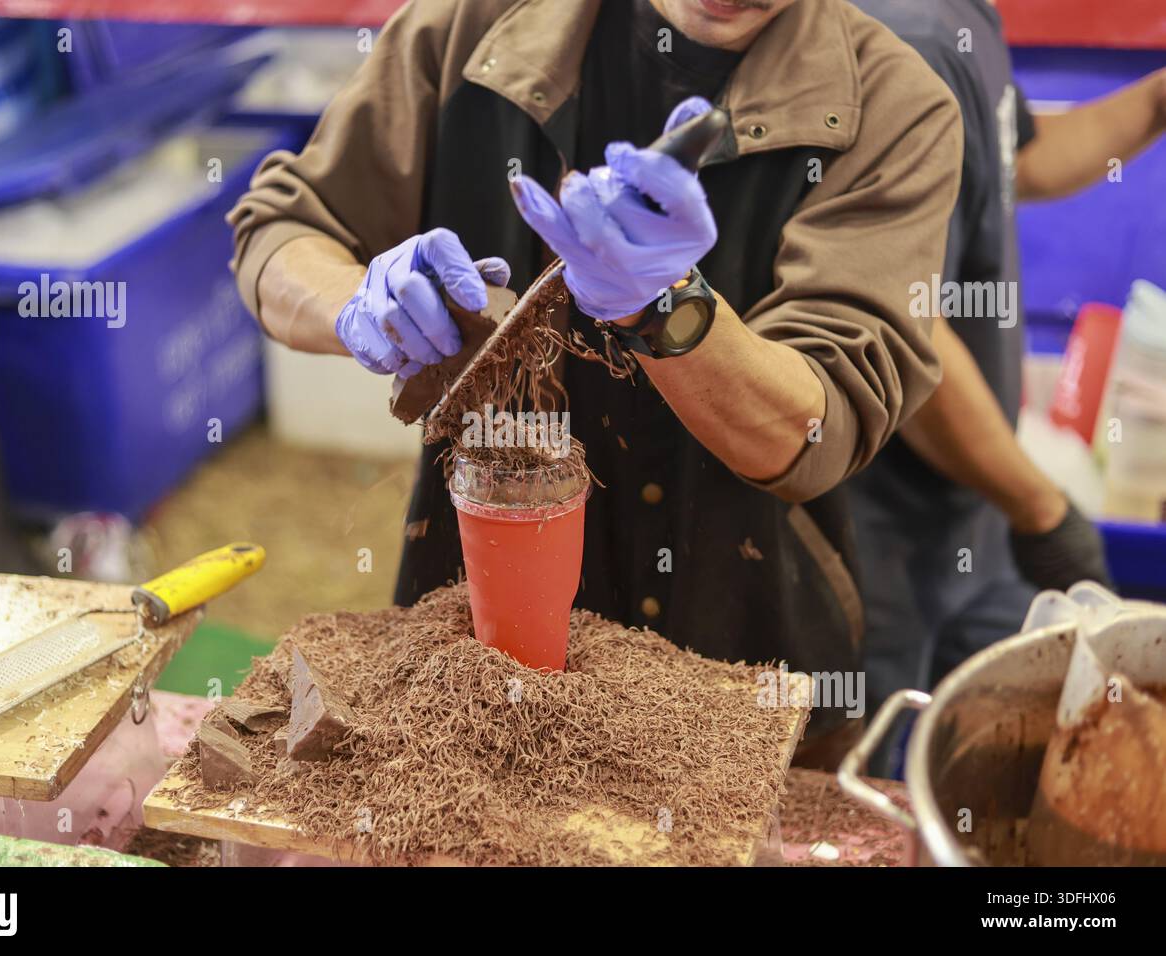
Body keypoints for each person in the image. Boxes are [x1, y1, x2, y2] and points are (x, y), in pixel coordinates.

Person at [228, 0, 964, 766]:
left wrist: (670, 309)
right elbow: (280, 231)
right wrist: (355, 302)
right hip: (473, 649)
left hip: (739, 658)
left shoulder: (891, 106)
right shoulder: (474, 27)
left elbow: (816, 425)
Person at [848, 0, 1165, 766]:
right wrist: (1040, 507)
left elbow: (1018, 157)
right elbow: (903, 317)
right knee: (870, 783)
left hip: (969, 515)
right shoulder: (914, 36)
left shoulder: (959, 17)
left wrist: (1157, 98)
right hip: (881, 529)